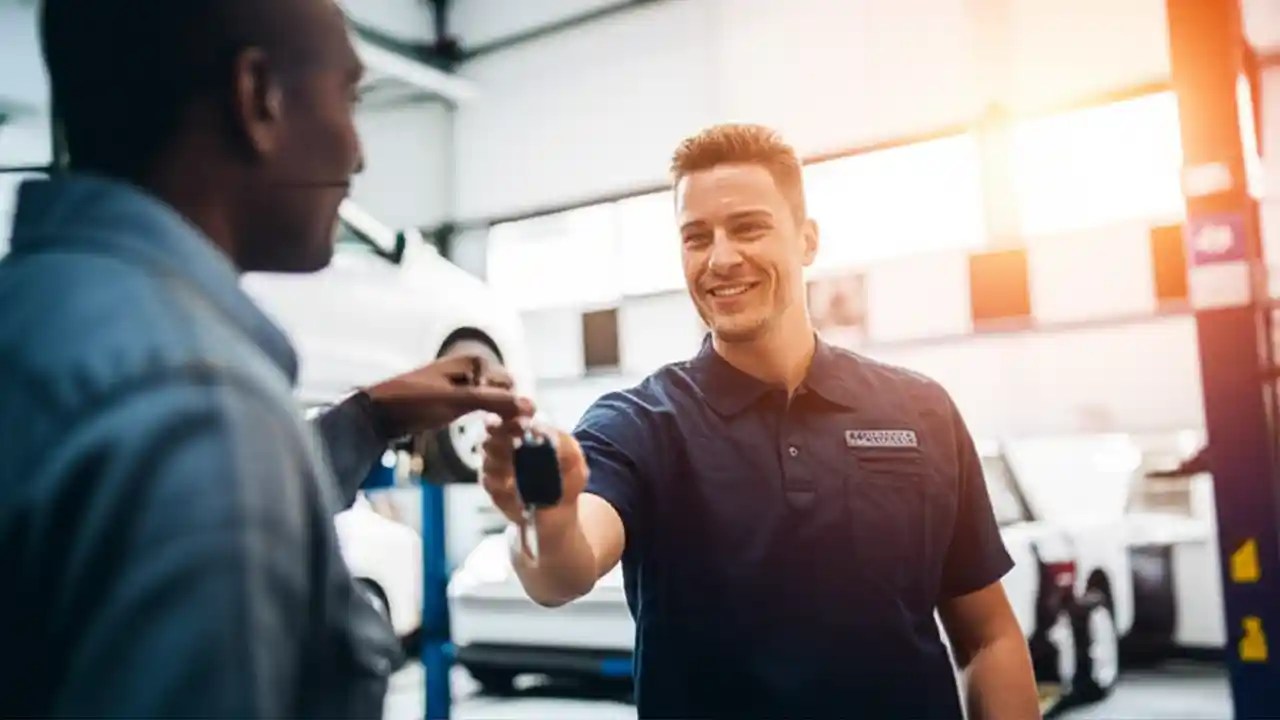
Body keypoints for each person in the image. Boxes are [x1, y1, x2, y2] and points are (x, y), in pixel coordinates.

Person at [0, 0, 530, 717]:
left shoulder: (37, 318)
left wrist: (370, 419)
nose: (358, 153)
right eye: (349, 97)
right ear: (258, 98)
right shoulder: (199, 403)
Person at [481, 124, 1040, 718]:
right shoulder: (642, 424)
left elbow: (988, 637)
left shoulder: (920, 411)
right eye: (697, 238)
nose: (721, 259)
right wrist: (545, 517)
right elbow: (560, 574)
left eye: (748, 228)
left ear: (807, 240)